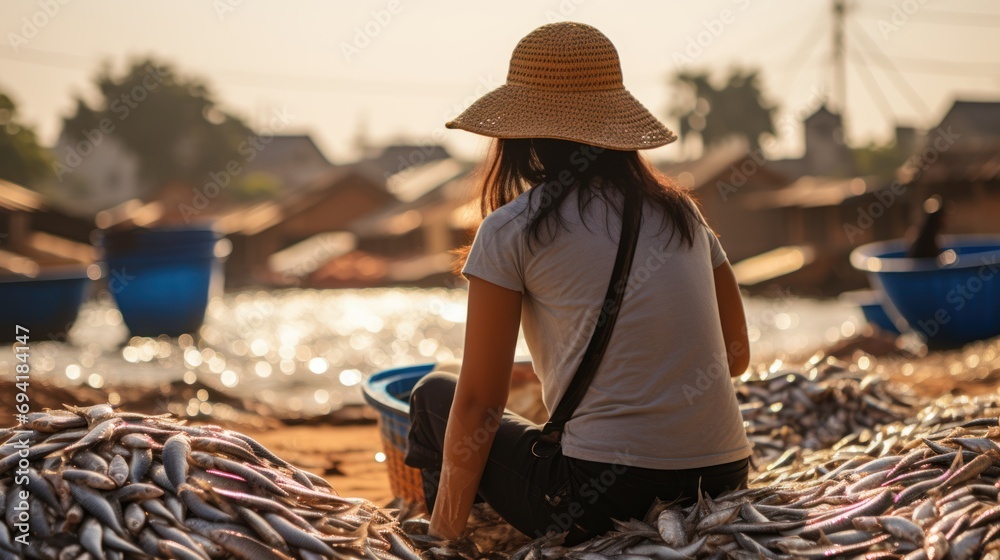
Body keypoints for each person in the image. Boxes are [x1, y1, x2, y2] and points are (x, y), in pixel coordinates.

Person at [404, 21, 752, 545]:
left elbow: (479, 403)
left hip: (601, 494)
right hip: (722, 478)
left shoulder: (514, 226)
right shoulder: (683, 214)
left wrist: (440, 536)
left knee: (436, 393)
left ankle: (457, 536)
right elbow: (736, 354)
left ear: (519, 130)